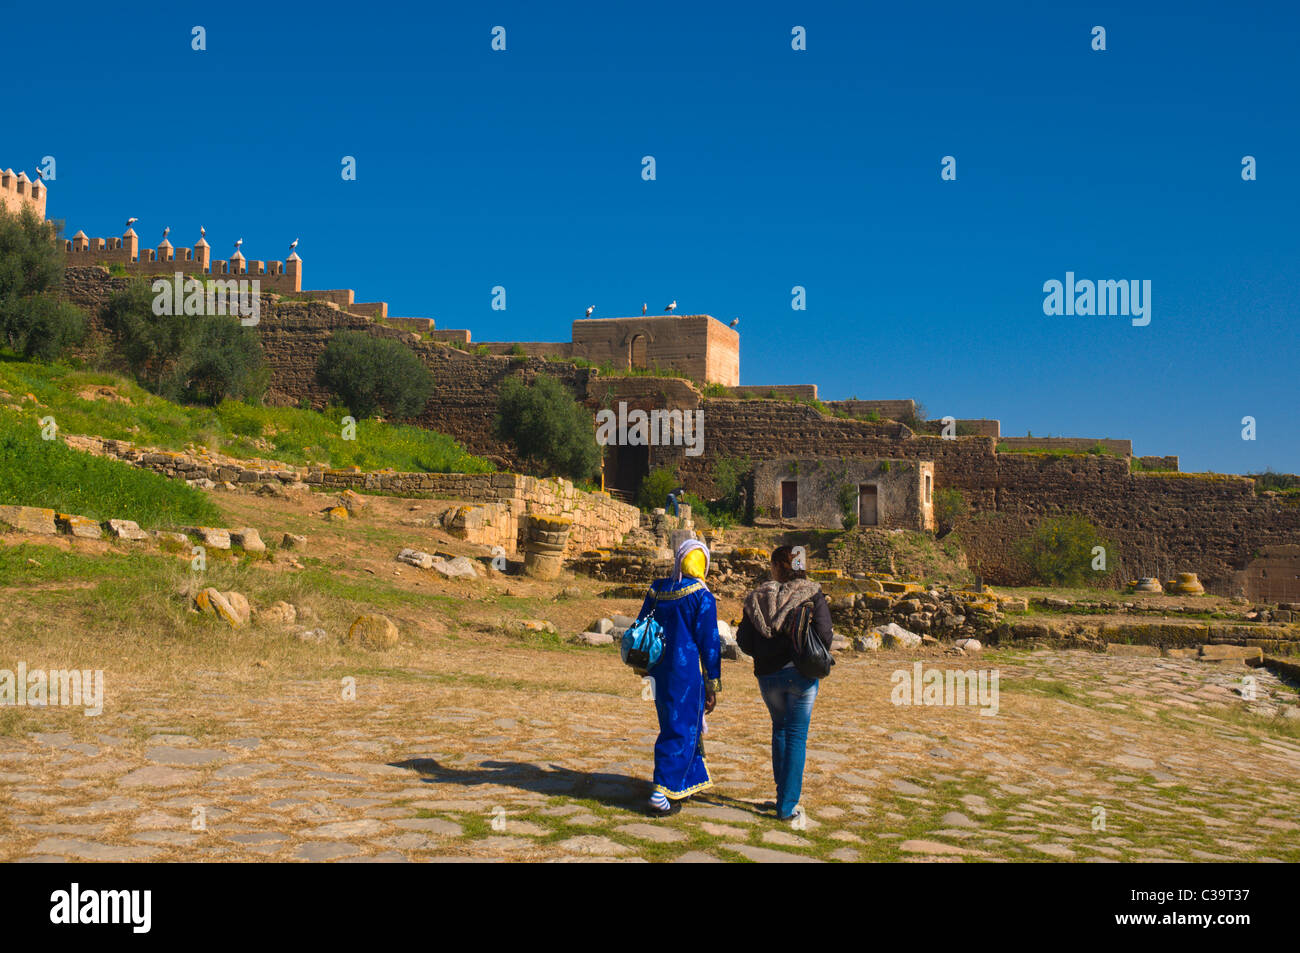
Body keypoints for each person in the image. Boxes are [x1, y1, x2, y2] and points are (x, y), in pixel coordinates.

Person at [735, 544, 833, 820]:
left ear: (778, 566)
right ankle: (787, 805)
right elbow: (824, 635)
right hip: (800, 675)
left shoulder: (758, 597)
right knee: (796, 736)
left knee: (779, 730)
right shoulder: (811, 593)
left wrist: (767, 651)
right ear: (802, 567)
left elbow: (743, 640)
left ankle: (781, 795)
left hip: (768, 676)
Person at [633, 538, 721, 816]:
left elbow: (641, 625)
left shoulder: (658, 589)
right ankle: (662, 791)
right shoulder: (702, 596)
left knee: (675, 723)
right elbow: (709, 643)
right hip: (685, 674)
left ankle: (685, 782)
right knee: (680, 728)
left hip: (657, 669)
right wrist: (712, 683)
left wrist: (644, 666)